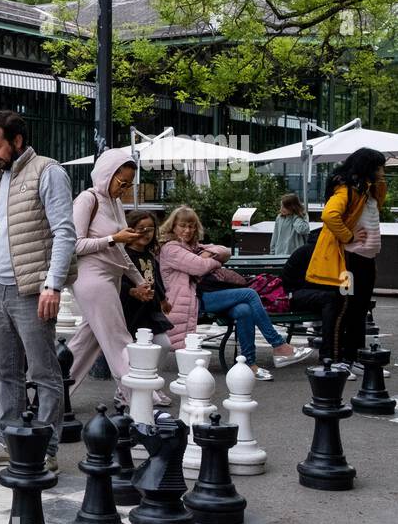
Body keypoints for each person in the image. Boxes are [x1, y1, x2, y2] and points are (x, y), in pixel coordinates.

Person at [0, 110, 76, 473]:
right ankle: (7, 440)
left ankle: (46, 448)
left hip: (32, 290)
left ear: (16, 140)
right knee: (6, 370)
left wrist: (53, 284)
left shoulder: (48, 172)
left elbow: (64, 232)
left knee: (44, 371)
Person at [63, 148, 170, 405]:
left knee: (85, 344)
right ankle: (139, 396)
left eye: (129, 184)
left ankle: (53, 392)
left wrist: (138, 280)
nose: (124, 188)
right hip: (92, 278)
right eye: (122, 182)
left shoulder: (116, 204)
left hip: (109, 277)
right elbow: (74, 244)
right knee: (118, 339)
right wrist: (113, 238)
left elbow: (121, 251)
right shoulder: (87, 200)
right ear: (106, 174)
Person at [158, 205, 311, 380]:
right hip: (190, 302)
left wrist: (209, 254)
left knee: (244, 310)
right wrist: (212, 261)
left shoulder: (192, 247)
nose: (188, 230)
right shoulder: (171, 248)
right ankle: (278, 345)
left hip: (203, 296)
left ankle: (249, 364)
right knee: (249, 294)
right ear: (173, 226)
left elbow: (225, 251)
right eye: (183, 226)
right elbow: (199, 267)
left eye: (191, 226)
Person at [303, 147, 387, 369]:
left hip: (365, 260)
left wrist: (377, 184)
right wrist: (348, 236)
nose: (382, 171)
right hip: (348, 261)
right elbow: (329, 215)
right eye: (379, 167)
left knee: (359, 308)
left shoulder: (367, 191)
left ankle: (353, 355)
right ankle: (338, 358)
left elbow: (378, 205)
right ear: (368, 168)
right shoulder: (346, 191)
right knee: (345, 307)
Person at [119, 210, 174, 352]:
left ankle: (151, 373)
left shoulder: (149, 256)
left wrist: (162, 299)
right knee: (133, 348)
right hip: (131, 310)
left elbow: (157, 279)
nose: (146, 233)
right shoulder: (123, 255)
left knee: (164, 345)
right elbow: (117, 280)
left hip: (150, 310)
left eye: (150, 229)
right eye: (141, 228)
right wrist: (132, 291)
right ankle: (130, 373)